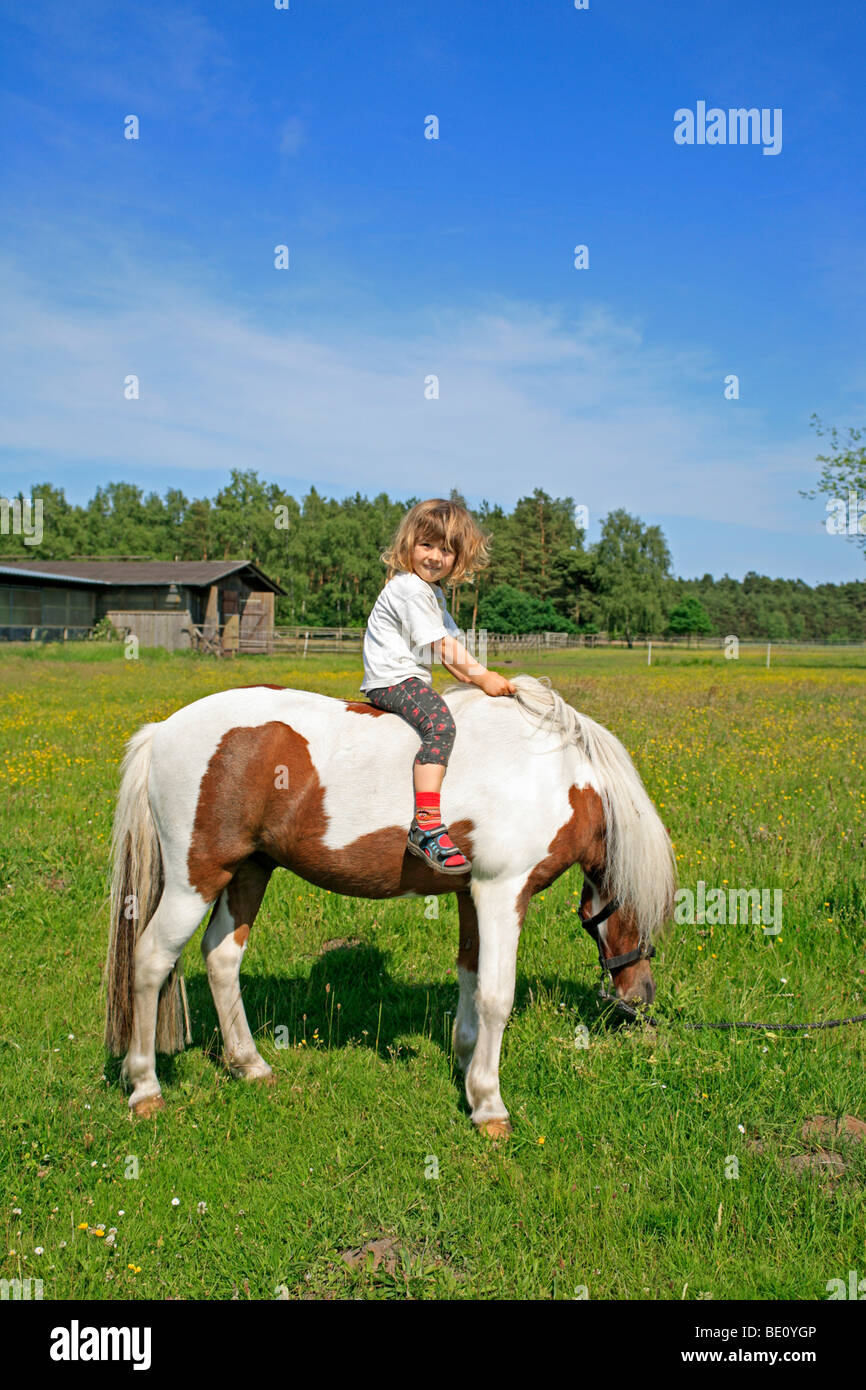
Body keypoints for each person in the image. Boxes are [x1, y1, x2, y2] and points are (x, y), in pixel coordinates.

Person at [361, 498, 516, 873]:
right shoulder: (410, 589)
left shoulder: (432, 594)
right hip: (392, 679)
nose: (434, 556)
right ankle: (426, 825)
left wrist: (476, 680)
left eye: (446, 550)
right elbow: (443, 646)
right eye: (426, 545)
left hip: (406, 676)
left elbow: (450, 652)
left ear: (458, 557)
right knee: (440, 724)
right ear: (408, 545)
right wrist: (483, 676)